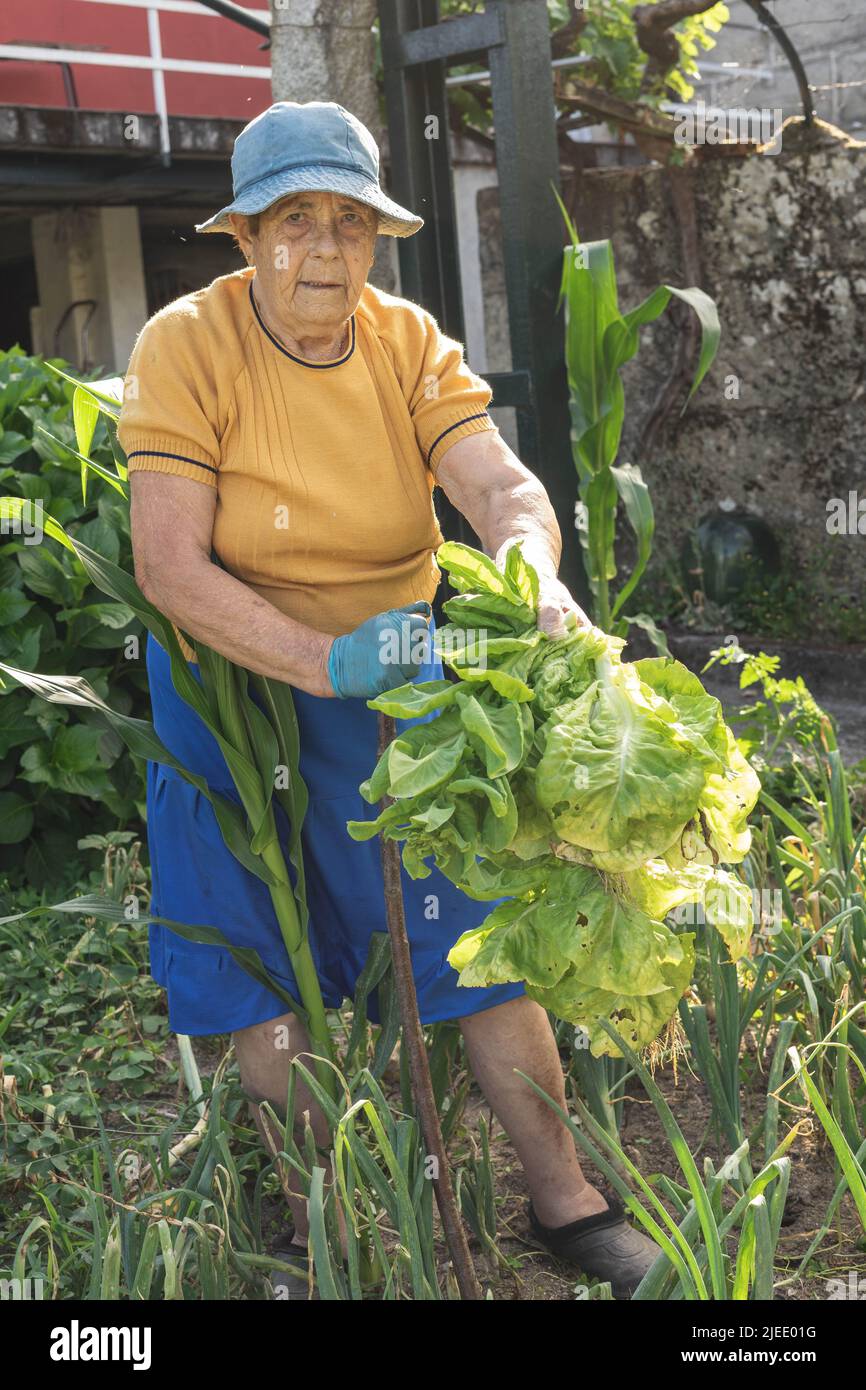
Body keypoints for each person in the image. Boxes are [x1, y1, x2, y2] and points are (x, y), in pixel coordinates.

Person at [117, 99, 659, 1299]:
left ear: (376, 236)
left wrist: (529, 577)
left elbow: (500, 486)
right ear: (246, 233)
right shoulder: (185, 345)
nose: (323, 250)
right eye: (294, 220)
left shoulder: (404, 339)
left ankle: (565, 1202)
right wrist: (318, 662)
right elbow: (169, 566)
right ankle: (329, 1215)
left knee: (468, 933)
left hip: (394, 667)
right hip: (232, 674)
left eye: (349, 222)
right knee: (259, 947)